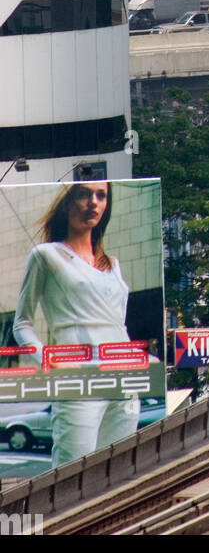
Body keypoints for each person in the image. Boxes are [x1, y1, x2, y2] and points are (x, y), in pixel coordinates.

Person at [13, 182, 141, 469]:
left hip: (124, 379)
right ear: (67, 201)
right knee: (71, 476)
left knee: (119, 473)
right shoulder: (46, 255)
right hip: (79, 379)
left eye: (101, 195)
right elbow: (21, 324)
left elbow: (117, 323)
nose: (92, 202)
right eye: (83, 194)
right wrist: (49, 360)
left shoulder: (113, 264)